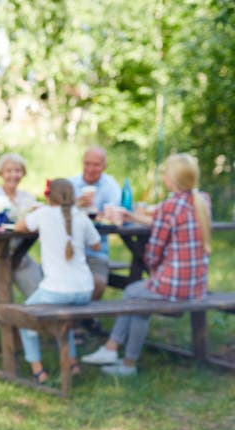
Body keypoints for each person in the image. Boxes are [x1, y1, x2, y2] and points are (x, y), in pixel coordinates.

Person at [81, 153, 211, 376]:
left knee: (133, 294)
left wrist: (153, 268)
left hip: (176, 287)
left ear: (173, 178)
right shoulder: (202, 200)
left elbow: (153, 253)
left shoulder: (170, 206)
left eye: (165, 172)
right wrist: (132, 217)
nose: (163, 176)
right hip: (197, 285)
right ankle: (115, 352)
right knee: (136, 294)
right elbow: (165, 221)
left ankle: (124, 360)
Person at [13, 179, 101, 383]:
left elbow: (18, 227)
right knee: (63, 319)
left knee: (23, 317)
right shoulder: (81, 217)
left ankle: (38, 370)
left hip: (56, 291)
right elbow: (96, 245)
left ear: (49, 196)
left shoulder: (43, 214)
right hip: (85, 290)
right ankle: (72, 363)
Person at [0, 153, 42, 354]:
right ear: (1, 173)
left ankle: (24, 331)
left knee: (38, 291)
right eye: (9, 170)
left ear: (23, 173)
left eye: (18, 170)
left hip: (18, 254)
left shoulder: (28, 199)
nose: (13, 175)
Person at [68, 146, 121, 300]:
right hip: (69, 250)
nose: (90, 169)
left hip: (96, 252)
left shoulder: (111, 186)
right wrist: (75, 204)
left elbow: (114, 217)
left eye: (96, 165)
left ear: (104, 166)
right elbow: (56, 213)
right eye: (87, 163)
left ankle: (85, 314)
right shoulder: (70, 184)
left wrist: (95, 213)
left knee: (97, 283)